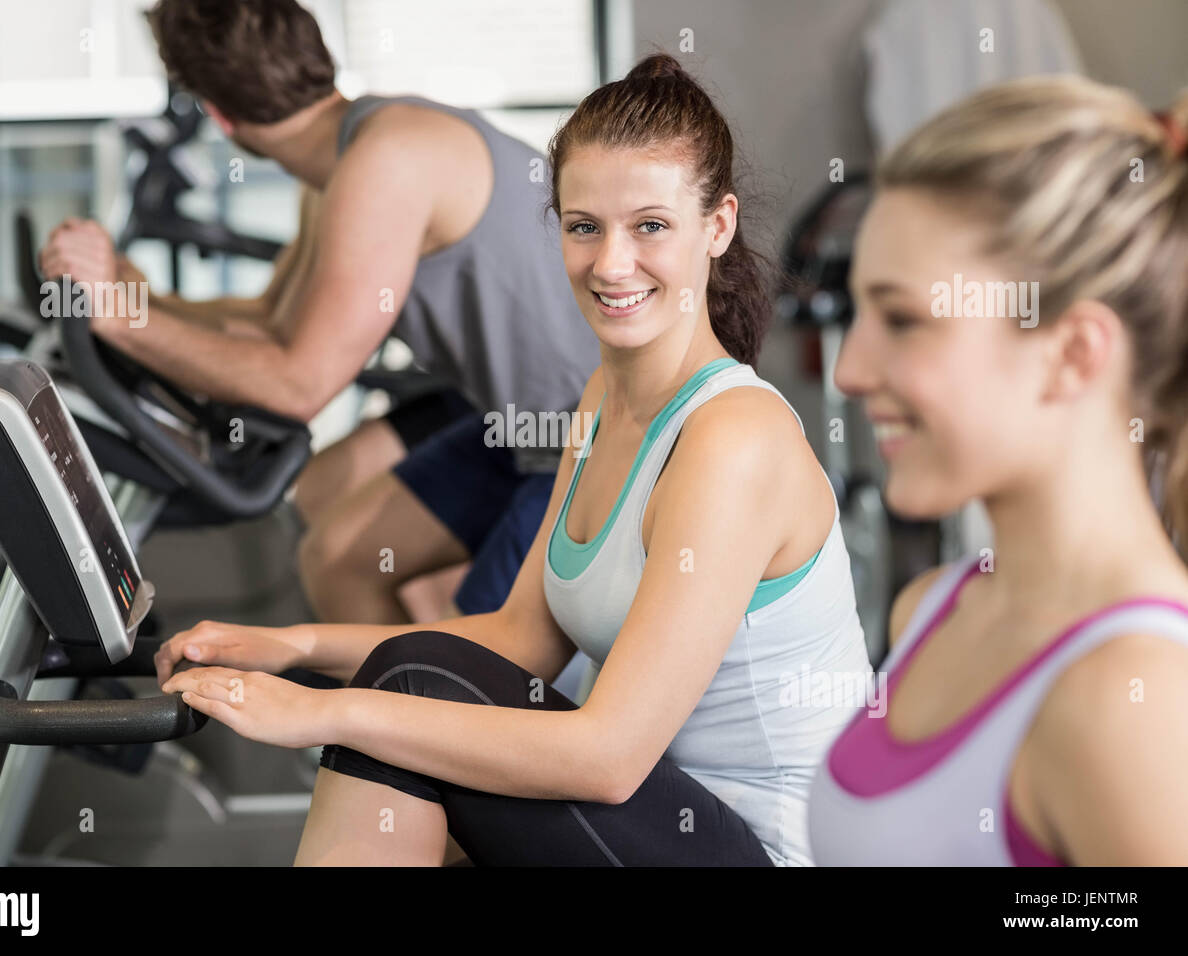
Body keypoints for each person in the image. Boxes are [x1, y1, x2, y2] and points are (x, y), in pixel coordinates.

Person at [156, 53, 871, 867]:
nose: (610, 263)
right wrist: (291, 647)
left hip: (768, 852)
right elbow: (520, 637)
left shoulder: (732, 438)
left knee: (403, 695)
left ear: (717, 226)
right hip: (655, 826)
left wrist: (317, 713)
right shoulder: (602, 400)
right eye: (583, 226)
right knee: (410, 666)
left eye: (650, 226)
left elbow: (606, 759)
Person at [38, 0, 600, 624]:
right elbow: (268, 322)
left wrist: (118, 319)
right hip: (526, 428)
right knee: (338, 559)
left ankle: (440, 703)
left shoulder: (385, 158)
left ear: (219, 117)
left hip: (605, 439)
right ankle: (393, 711)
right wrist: (133, 296)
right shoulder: (348, 150)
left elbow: (297, 383)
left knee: (471, 667)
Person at [810, 76, 1188, 865]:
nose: (851, 372)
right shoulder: (930, 611)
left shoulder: (1137, 703)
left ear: (1072, 354)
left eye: (903, 319)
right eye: (859, 317)